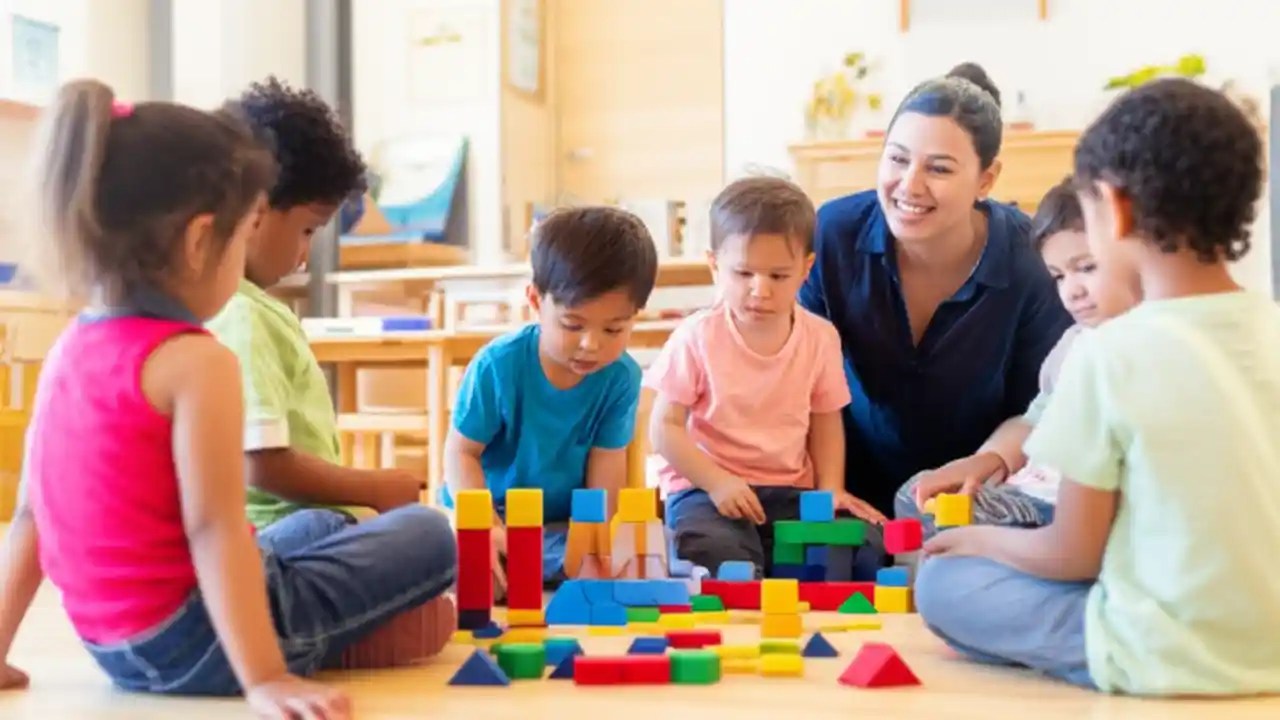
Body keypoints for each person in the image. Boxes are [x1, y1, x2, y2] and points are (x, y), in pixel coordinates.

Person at [0, 80, 455, 718]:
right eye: (242, 237)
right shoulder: (196, 361)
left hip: (110, 643)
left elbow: (30, 517)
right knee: (431, 535)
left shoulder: (72, 346)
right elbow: (213, 528)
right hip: (196, 645)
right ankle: (319, 643)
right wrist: (265, 678)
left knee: (320, 523)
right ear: (198, 242)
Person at [916, 78, 1280, 695]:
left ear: (1115, 210)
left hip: (1158, 653)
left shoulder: (1106, 356)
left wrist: (980, 538)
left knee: (943, 583)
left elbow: (1073, 554)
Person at [798, 62, 1073, 519]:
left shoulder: (1030, 260)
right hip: (840, 489)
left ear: (986, 180)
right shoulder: (834, 233)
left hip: (973, 496)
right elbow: (797, 373)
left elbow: (1041, 407)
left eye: (939, 168)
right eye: (897, 158)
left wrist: (984, 466)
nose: (909, 185)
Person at [206, 77, 426, 534]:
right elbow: (259, 463)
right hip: (280, 533)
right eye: (307, 230)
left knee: (414, 538)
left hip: (280, 530)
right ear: (256, 213)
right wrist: (371, 488)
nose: (305, 254)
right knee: (426, 536)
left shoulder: (230, 308)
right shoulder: (243, 315)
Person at [647, 176, 887, 580]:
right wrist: (719, 483)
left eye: (777, 276)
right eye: (743, 273)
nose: (760, 290)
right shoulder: (696, 336)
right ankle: (755, 566)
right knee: (720, 555)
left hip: (789, 494)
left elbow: (826, 421)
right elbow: (664, 428)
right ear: (714, 266)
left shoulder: (820, 337)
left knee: (863, 548)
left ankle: (772, 564)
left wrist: (831, 490)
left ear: (805, 269)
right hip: (706, 492)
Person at [443, 206, 658, 590]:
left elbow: (606, 469)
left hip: (560, 527)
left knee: (599, 571)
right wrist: (485, 525)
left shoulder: (620, 377)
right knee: (476, 578)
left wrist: (599, 544)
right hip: (492, 515)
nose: (591, 345)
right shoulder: (499, 365)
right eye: (572, 325)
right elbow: (461, 454)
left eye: (614, 328)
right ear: (536, 300)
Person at [895, 177, 1110, 536]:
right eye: (1058, 276)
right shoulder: (1074, 343)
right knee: (915, 494)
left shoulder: (1138, 351)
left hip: (1064, 507)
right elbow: (1033, 419)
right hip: (1024, 488)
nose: (1072, 291)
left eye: (1087, 267)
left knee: (958, 531)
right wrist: (988, 460)